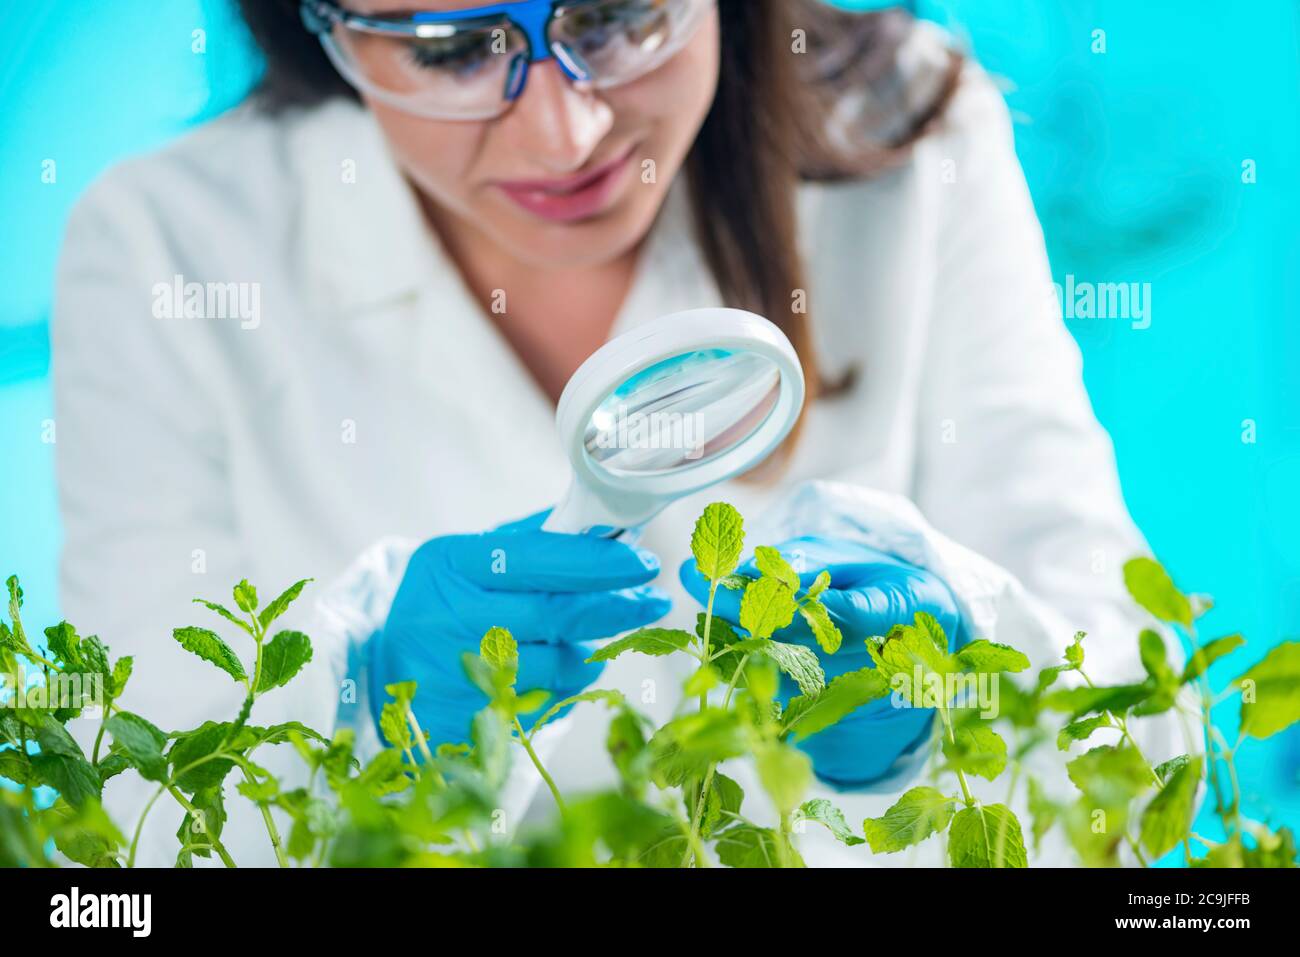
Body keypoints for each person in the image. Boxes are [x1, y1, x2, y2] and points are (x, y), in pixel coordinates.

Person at [52, 0, 1186, 866]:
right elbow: (134, 832)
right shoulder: (167, 248)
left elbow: (1143, 745)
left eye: (618, 16)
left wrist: (955, 671)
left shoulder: (908, 131)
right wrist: (359, 700)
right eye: (449, 48)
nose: (566, 128)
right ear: (323, 32)